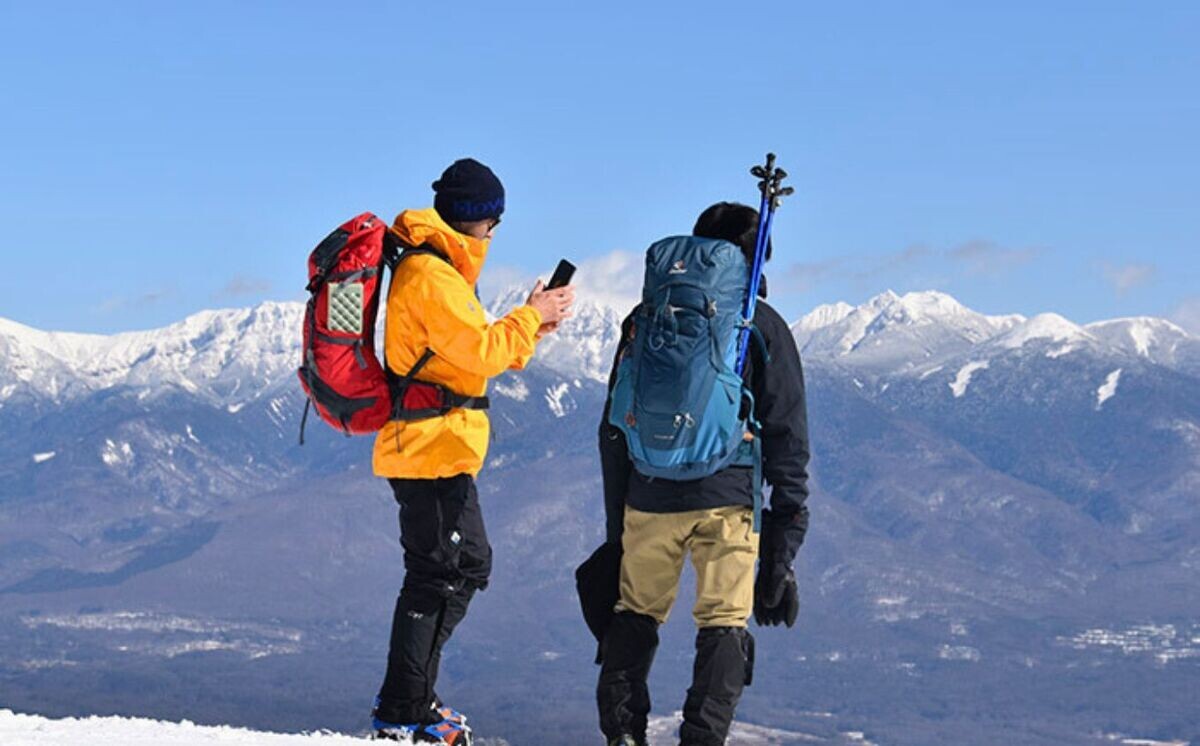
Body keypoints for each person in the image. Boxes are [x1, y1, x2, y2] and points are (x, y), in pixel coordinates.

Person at [370, 158, 575, 742]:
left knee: (460, 567)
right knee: (440, 574)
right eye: (493, 222)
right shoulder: (431, 276)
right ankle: (402, 710)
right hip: (429, 448)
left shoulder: (439, 272)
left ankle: (412, 698)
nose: (493, 233)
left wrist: (533, 326)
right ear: (476, 218)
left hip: (438, 446)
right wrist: (530, 315)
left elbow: (468, 357)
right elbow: (481, 352)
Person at [595, 202, 811, 746]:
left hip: (648, 493)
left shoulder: (644, 317)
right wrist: (781, 552)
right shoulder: (760, 324)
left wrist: (617, 530)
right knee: (723, 625)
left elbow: (614, 427)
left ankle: (623, 736)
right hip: (727, 499)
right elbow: (788, 438)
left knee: (635, 615)